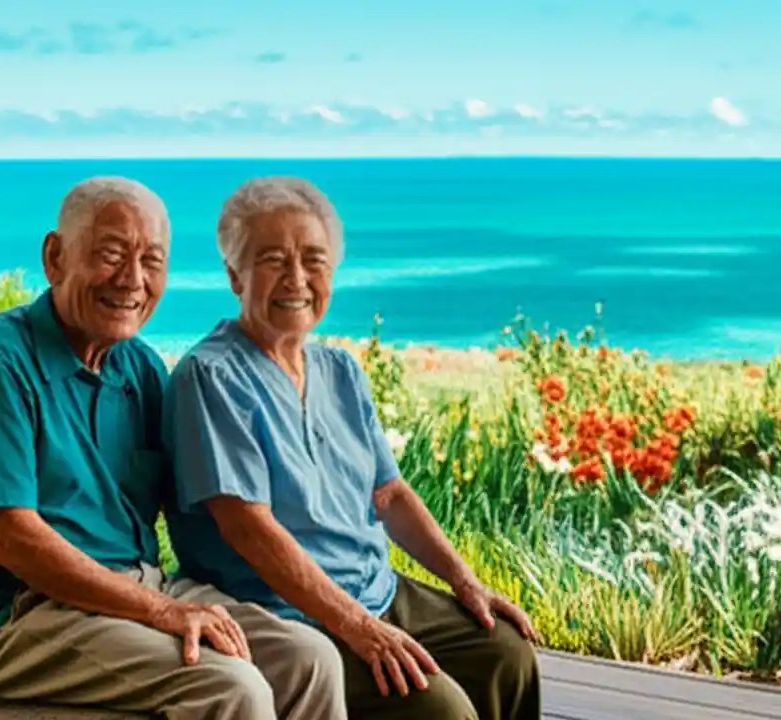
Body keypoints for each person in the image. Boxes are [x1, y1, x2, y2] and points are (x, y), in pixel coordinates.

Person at [0, 176, 346, 720]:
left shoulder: (141, 367)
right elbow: (10, 541)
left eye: (152, 260)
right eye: (111, 254)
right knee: (229, 687)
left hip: (139, 587)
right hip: (15, 613)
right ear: (55, 258)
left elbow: (200, 515)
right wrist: (160, 611)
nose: (132, 280)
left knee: (309, 659)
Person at [163, 176, 542, 720]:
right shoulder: (211, 377)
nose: (297, 278)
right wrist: (361, 629)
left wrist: (466, 582)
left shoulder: (339, 369)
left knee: (506, 652)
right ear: (234, 275)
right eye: (273, 260)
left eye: (313, 260)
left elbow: (388, 494)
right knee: (440, 710)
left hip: (376, 589)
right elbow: (248, 527)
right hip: (288, 614)